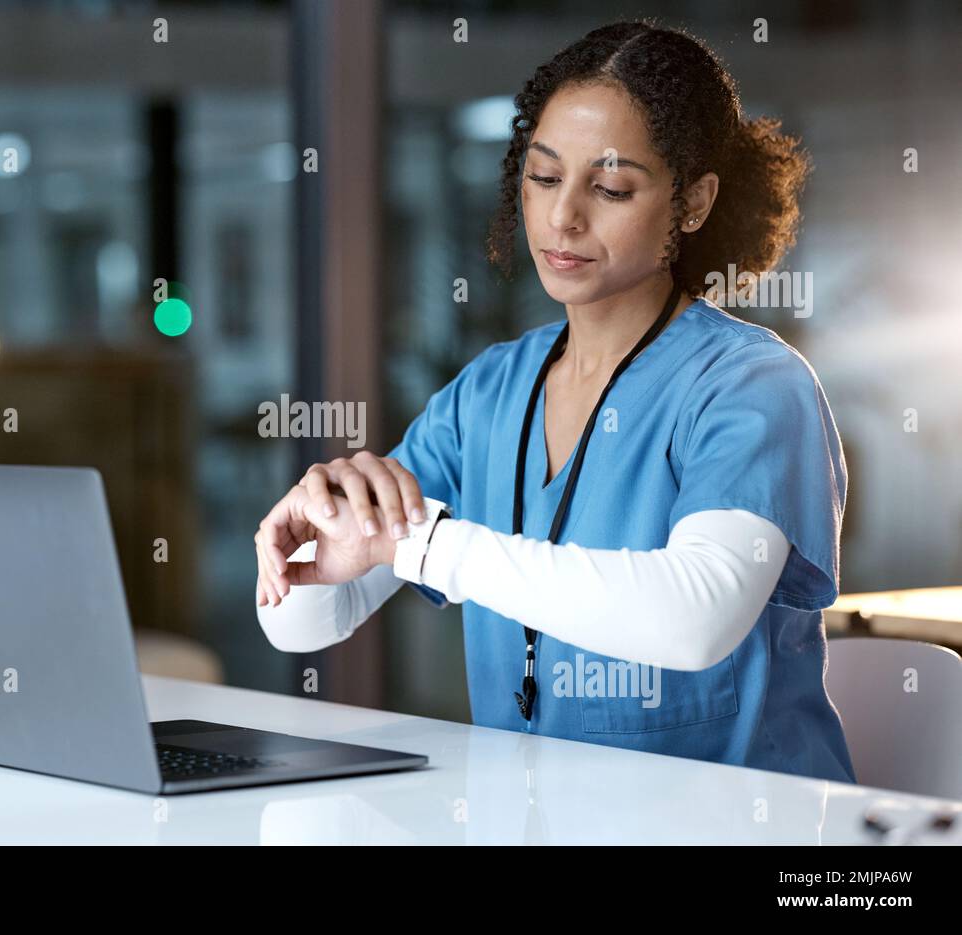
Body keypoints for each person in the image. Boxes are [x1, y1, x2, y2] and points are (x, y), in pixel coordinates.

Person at [253, 20, 855, 784]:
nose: (564, 216)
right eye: (543, 177)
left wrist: (423, 547)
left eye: (609, 188)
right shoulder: (489, 392)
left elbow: (693, 617)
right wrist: (318, 546)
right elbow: (308, 623)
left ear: (693, 202)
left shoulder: (751, 384)